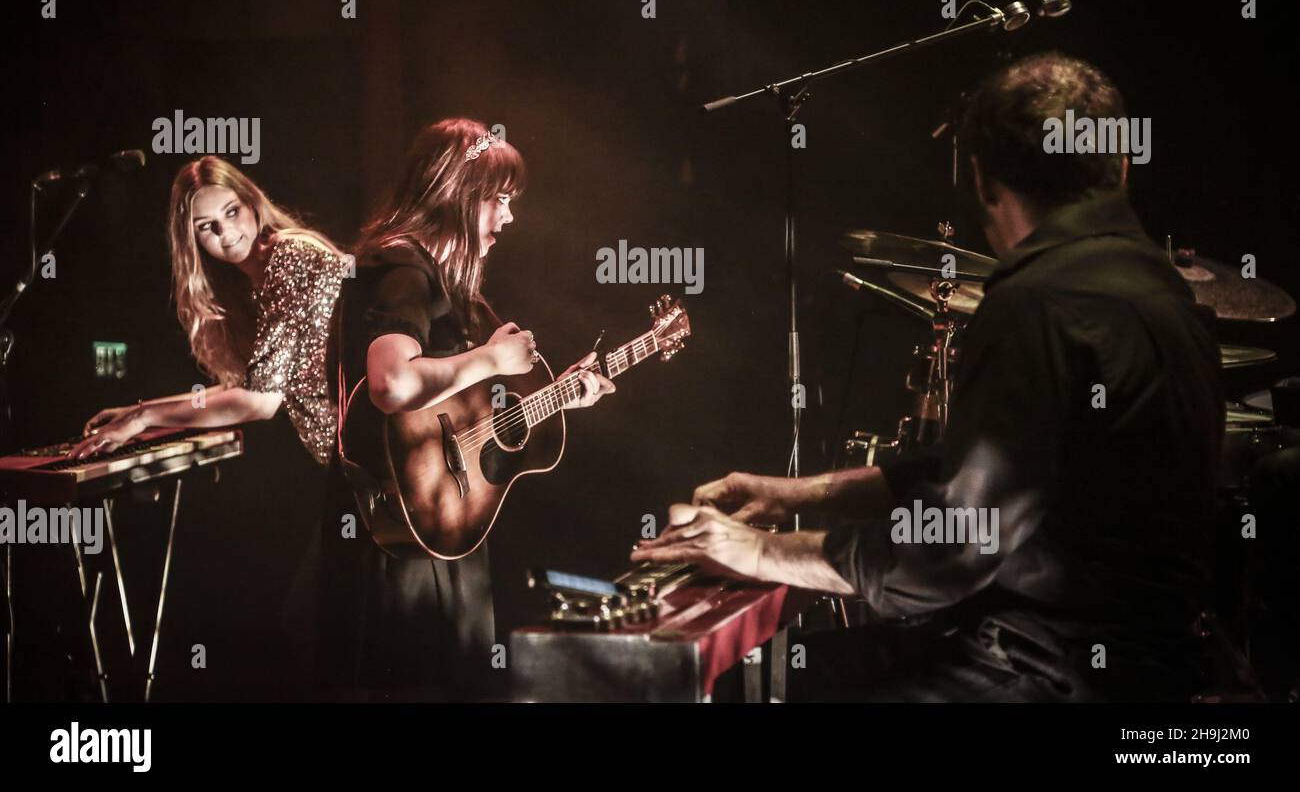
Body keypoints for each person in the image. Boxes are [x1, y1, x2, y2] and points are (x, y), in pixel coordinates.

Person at [634, 53, 1224, 701]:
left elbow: (951, 550)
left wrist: (759, 553)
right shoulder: (1166, 294)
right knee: (798, 675)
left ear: (983, 180)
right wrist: (794, 496)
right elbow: (996, 473)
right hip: (1150, 653)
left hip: (1058, 665)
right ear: (1121, 165)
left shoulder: (1037, 300)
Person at [323, 117, 613, 699]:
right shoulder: (403, 271)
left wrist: (562, 392)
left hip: (440, 530)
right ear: (458, 195)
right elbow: (392, 385)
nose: (508, 218)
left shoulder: (446, 286)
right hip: (401, 544)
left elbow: (468, 413)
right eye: (499, 200)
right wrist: (490, 360)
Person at [70, 156, 349, 466]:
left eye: (232, 212)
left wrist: (144, 417)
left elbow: (259, 402)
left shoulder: (291, 257)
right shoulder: (256, 281)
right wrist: (137, 411)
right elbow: (241, 387)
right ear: (193, 239)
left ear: (252, 202)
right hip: (352, 464)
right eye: (206, 226)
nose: (225, 231)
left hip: (377, 457)